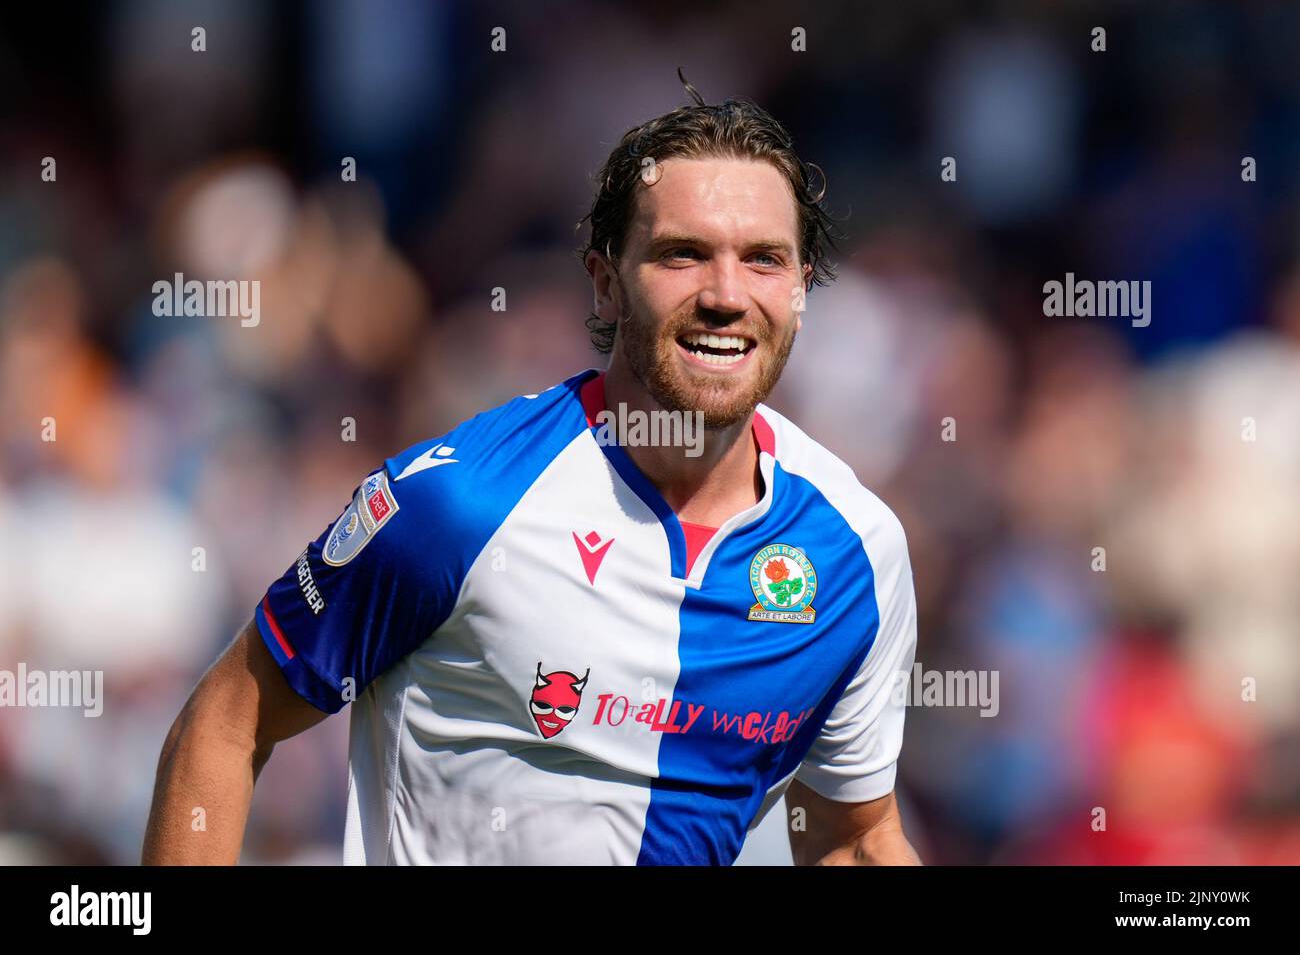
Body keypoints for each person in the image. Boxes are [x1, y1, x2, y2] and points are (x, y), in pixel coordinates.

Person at [143, 74, 921, 866]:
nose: (726, 293)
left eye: (763, 260)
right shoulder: (462, 504)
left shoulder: (856, 554)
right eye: (682, 255)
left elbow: (853, 838)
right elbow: (228, 720)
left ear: (799, 291)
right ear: (606, 282)